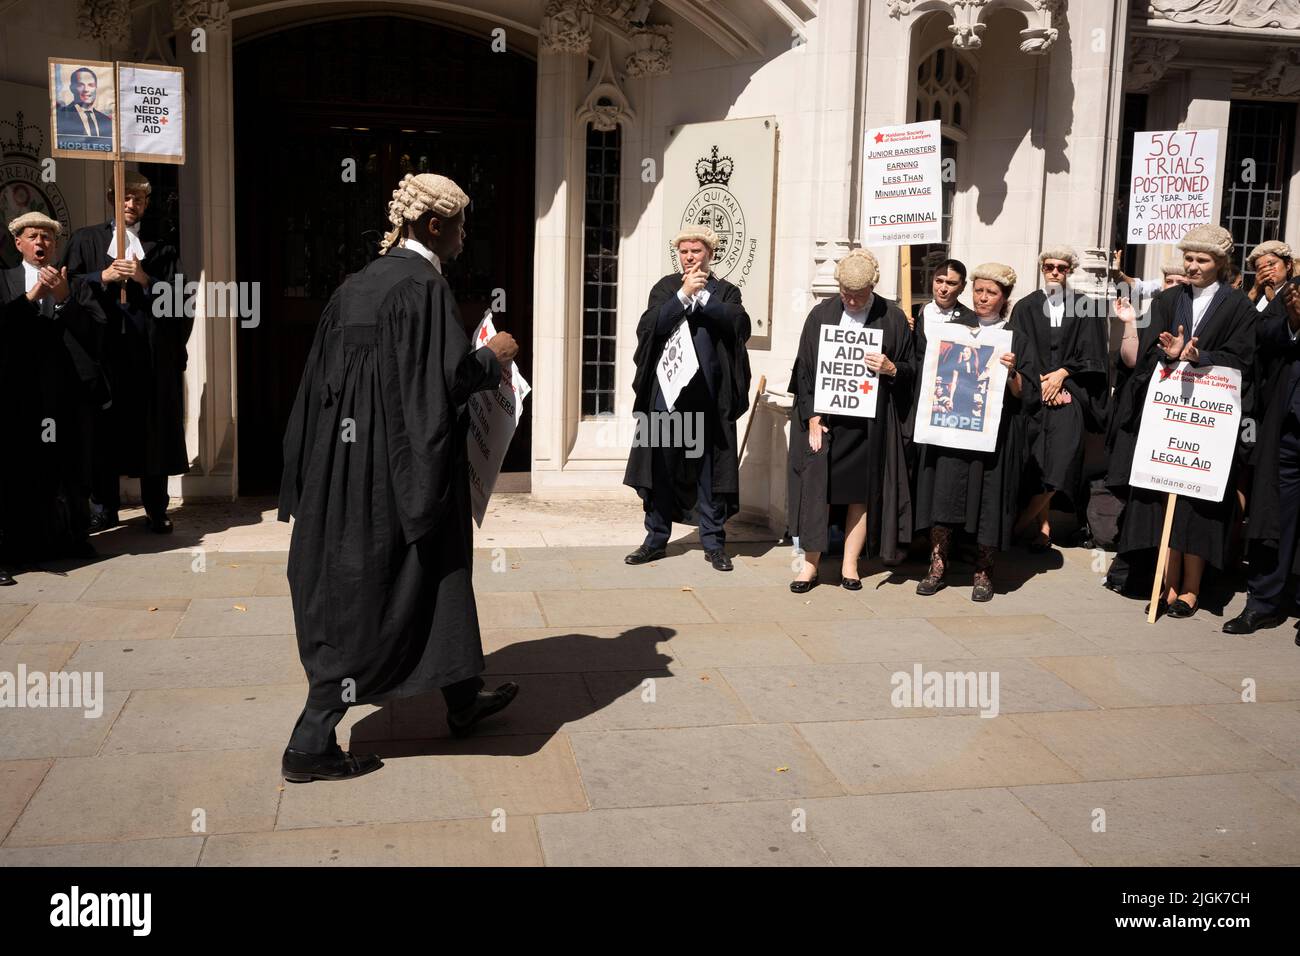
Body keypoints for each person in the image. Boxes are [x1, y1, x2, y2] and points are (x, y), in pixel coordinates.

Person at [278, 173, 521, 783]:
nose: (466, 236)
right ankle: (310, 740)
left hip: (345, 466)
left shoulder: (358, 284)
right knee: (382, 585)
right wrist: (494, 360)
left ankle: (462, 699)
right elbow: (440, 388)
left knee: (438, 575)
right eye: (461, 224)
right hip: (395, 470)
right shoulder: (424, 287)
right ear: (434, 226)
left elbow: (318, 388)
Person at [1107, 224, 1255, 619]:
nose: (1192, 265)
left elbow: (1243, 360)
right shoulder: (1169, 299)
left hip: (1209, 423)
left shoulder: (1238, 306)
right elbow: (1145, 361)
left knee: (1197, 503)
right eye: (1188, 258)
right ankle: (1166, 583)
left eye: (1201, 259)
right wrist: (1170, 354)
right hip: (1170, 416)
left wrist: (1199, 356)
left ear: (1220, 263)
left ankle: (1191, 589)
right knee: (1164, 496)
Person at [62, 171, 187, 533]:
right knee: (105, 429)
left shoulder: (162, 248)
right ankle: (104, 508)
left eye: (140, 199)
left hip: (147, 355)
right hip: (104, 352)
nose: (133, 205)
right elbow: (63, 285)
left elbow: (181, 299)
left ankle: (156, 508)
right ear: (112, 198)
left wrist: (146, 280)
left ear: (148, 203)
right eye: (126, 197)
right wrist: (102, 278)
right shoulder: (86, 240)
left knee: (152, 429)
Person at [623, 226, 752, 572]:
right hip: (667, 399)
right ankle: (655, 540)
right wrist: (682, 296)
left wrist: (704, 298)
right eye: (684, 251)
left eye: (696, 251)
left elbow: (739, 325)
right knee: (660, 469)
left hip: (709, 399)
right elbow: (650, 326)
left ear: (710, 254)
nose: (690, 256)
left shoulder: (725, 292)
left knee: (709, 473)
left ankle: (713, 543)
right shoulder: (666, 288)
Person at [786, 248, 914, 592]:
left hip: (868, 425)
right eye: (846, 294)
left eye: (859, 296)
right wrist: (811, 415)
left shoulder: (893, 318)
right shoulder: (821, 314)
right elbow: (805, 371)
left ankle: (849, 565)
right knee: (817, 490)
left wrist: (891, 369)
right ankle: (809, 566)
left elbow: (910, 369)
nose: (852, 301)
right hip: (827, 421)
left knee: (860, 493)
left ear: (872, 288)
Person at [913, 263, 1038, 602]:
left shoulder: (1016, 337)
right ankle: (937, 568)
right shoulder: (953, 329)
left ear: (1005, 297)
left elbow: (1025, 394)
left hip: (992, 439)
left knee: (988, 502)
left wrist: (1012, 373)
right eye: (979, 290)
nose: (983, 298)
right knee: (944, 497)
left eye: (992, 292)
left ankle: (984, 573)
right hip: (952, 432)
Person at [1, 212, 104, 581]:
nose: (41, 243)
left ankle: (71, 538)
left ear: (56, 245)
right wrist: (32, 297)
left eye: (47, 237)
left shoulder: (75, 285)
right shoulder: (5, 282)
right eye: (33, 236)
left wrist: (64, 301)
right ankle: (17, 548)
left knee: (68, 469)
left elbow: (96, 335)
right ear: (19, 243)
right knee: (20, 472)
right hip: (19, 398)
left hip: (64, 397)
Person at [1013, 246, 1109, 551]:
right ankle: (1043, 526)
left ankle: (1018, 527)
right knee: (1036, 459)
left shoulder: (1085, 306)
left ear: (1070, 271)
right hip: (1033, 395)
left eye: (1062, 268)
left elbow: (1094, 354)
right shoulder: (1025, 307)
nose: (1055, 272)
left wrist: (1062, 374)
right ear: (1042, 268)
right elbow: (1016, 350)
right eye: (1050, 267)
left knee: (1061, 460)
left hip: (1072, 393)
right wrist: (1040, 382)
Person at [1225, 272, 1300, 639]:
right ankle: (1263, 603)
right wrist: (1295, 322)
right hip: (1286, 436)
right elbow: (1262, 335)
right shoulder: (1293, 291)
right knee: (1274, 520)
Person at [54, 68, 113, 149]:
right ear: (72, 88)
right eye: (80, 85)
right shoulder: (61, 116)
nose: (86, 89)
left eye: (91, 85)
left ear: (96, 88)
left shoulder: (107, 121)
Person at [1246, 240, 1293, 313]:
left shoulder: (1294, 293)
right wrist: (1254, 290)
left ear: (1288, 265)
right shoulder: (1256, 295)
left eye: (1271, 264)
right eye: (1260, 268)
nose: (1266, 270)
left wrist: (1272, 299)